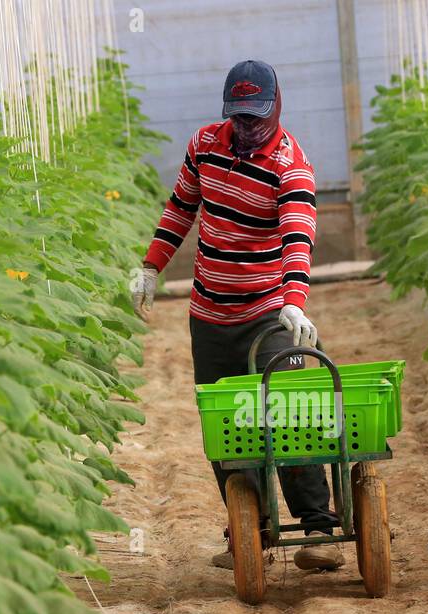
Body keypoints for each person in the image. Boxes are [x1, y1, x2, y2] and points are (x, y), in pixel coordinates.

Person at [131, 60, 343, 572]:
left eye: (257, 117)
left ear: (275, 108)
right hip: (208, 314)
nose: (247, 127)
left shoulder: (290, 166)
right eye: (239, 116)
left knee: (290, 416)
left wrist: (294, 300)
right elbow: (181, 207)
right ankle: (250, 530)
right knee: (226, 426)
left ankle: (316, 529)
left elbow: (298, 236)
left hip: (270, 315)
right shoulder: (205, 144)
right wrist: (151, 267)